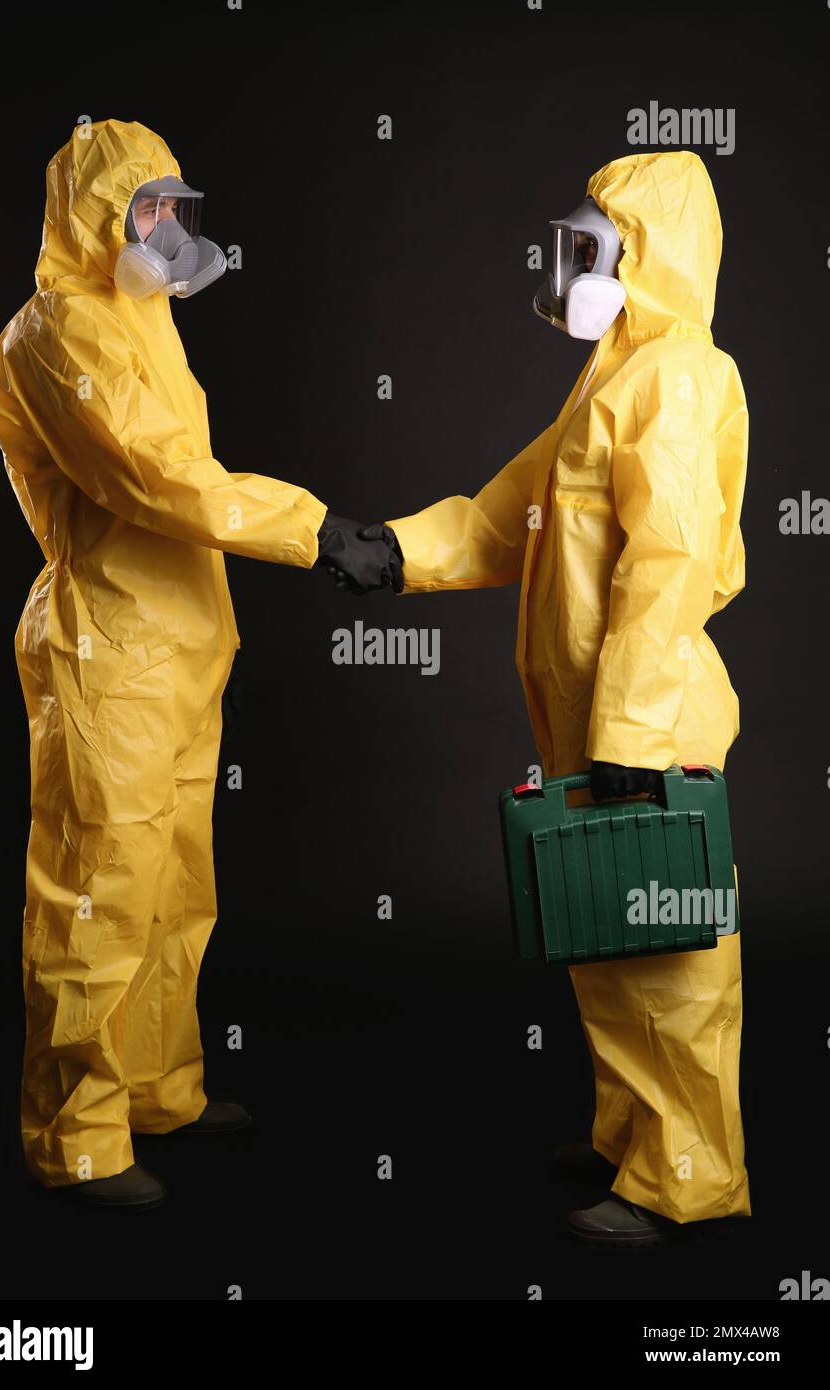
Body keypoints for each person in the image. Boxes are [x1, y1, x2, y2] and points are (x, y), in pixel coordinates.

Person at [0, 118, 401, 1209]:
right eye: (146, 209)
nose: (168, 232)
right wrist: (315, 527)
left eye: (175, 207)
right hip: (108, 653)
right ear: (95, 217)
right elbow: (158, 477)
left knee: (174, 890)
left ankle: (157, 1090)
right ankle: (75, 1136)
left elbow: (183, 476)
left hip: (179, 647)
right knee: (97, 895)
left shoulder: (141, 316)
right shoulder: (56, 333)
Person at [336, 150, 751, 1247]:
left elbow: (667, 563)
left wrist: (629, 731)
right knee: (608, 932)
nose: (570, 268)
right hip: (590, 711)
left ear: (647, 253)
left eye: (592, 246)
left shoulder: (680, 376)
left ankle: (688, 1179)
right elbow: (504, 514)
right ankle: (631, 1136)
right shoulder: (612, 376)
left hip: (642, 715)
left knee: (669, 957)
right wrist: (397, 553)